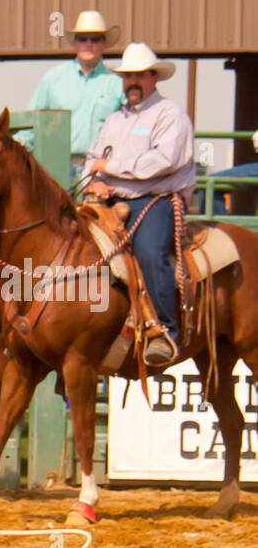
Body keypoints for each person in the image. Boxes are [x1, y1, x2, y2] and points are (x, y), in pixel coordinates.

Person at [83, 43, 194, 370]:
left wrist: (110, 166)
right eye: (127, 76)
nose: (132, 82)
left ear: (153, 77)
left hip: (155, 199)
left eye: (138, 75)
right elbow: (93, 159)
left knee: (148, 252)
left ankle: (163, 330)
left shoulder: (169, 115)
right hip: (111, 200)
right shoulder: (114, 119)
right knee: (76, 248)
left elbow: (163, 161)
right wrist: (96, 181)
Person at [26, 10, 125, 177]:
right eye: (82, 38)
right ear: (75, 43)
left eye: (95, 39)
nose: (89, 43)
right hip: (56, 166)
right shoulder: (53, 79)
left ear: (104, 43)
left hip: (102, 169)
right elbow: (31, 124)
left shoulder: (119, 81)